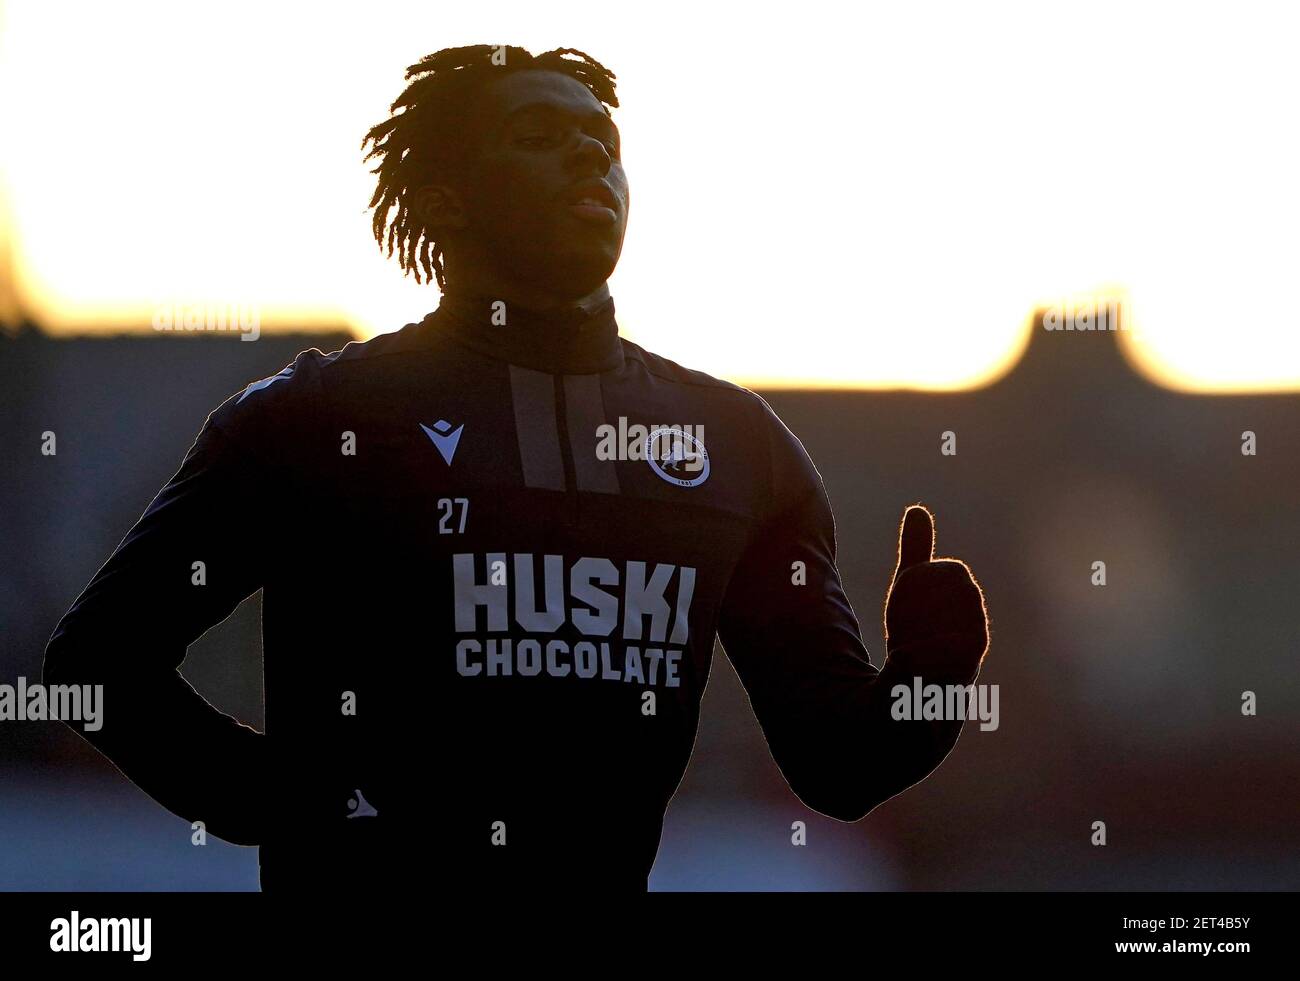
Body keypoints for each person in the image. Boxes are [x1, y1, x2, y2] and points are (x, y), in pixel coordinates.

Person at [43, 44, 990, 892]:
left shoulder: (738, 447)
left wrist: (932, 676)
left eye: (603, 139)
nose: (591, 157)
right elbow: (94, 665)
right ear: (448, 197)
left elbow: (838, 765)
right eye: (540, 134)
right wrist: (269, 800)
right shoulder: (315, 419)